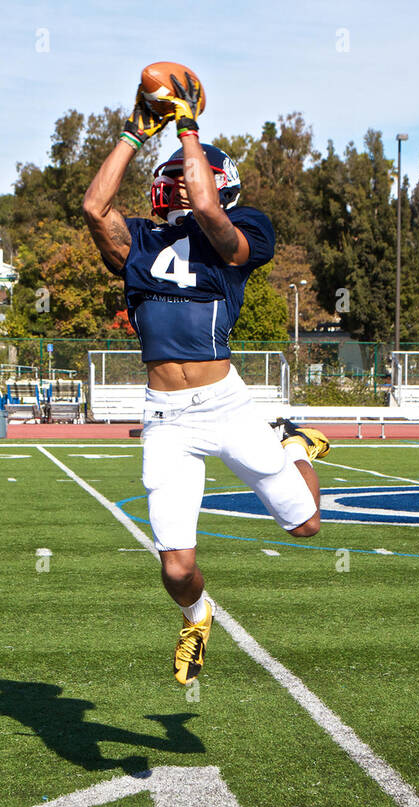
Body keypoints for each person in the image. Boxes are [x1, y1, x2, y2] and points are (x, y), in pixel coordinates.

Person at [82, 71, 330, 685]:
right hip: (165, 416)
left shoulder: (243, 232)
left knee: (306, 526)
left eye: (182, 177)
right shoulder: (139, 242)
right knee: (174, 568)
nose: (172, 187)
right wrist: (135, 133)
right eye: (167, 179)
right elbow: (94, 205)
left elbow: (210, 208)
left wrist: (187, 122)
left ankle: (293, 444)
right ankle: (198, 616)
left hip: (225, 405)